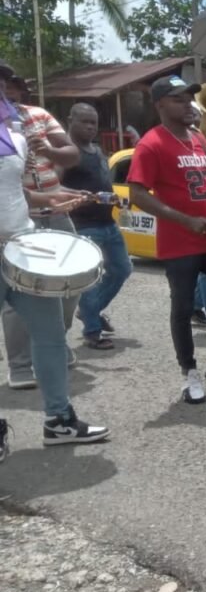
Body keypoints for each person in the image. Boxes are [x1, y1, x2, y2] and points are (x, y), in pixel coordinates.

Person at [127, 76, 206, 404]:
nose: (189, 105)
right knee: (183, 307)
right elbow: (138, 195)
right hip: (178, 242)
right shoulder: (151, 143)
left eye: (189, 98)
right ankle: (189, 373)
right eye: (179, 99)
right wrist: (184, 220)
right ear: (160, 105)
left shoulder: (198, 137)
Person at [0, 68, 110, 446]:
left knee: (49, 336)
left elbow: (13, 190)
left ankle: (59, 420)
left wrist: (47, 197)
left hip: (21, 245)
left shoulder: (13, 136)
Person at [1, 65, 81, 388]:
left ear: (19, 89)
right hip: (16, 219)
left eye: (8, 84)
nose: (5, 90)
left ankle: (53, 341)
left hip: (51, 205)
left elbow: (72, 154)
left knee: (72, 278)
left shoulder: (37, 116)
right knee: (18, 293)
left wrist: (48, 150)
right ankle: (20, 366)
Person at [61, 103, 133, 350]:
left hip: (108, 223)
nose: (91, 127)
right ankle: (92, 330)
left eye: (94, 122)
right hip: (82, 225)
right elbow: (53, 187)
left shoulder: (97, 151)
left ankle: (90, 312)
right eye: (85, 122)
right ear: (70, 121)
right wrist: (84, 196)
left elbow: (104, 184)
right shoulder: (66, 152)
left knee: (122, 269)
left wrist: (115, 198)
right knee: (89, 279)